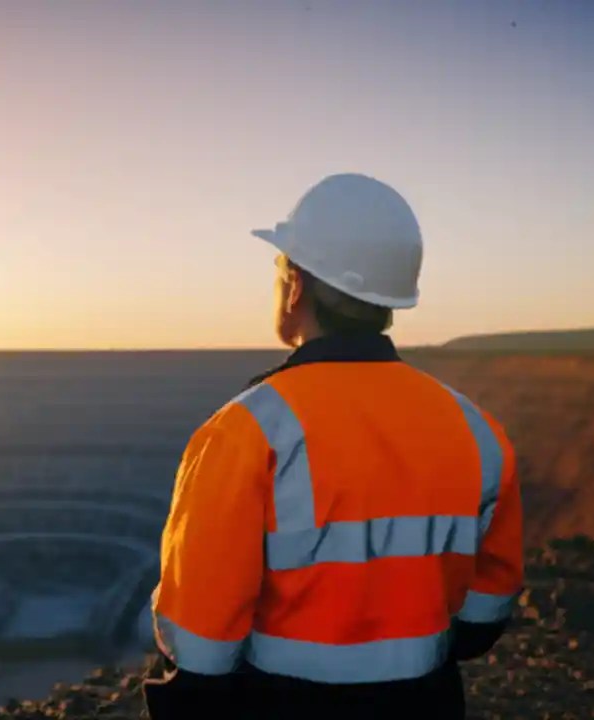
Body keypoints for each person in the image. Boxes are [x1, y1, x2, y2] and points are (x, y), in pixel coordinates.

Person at [142, 173, 524, 719]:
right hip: (427, 704)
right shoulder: (475, 428)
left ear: (296, 285)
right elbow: (483, 620)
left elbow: (198, 651)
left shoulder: (248, 431)